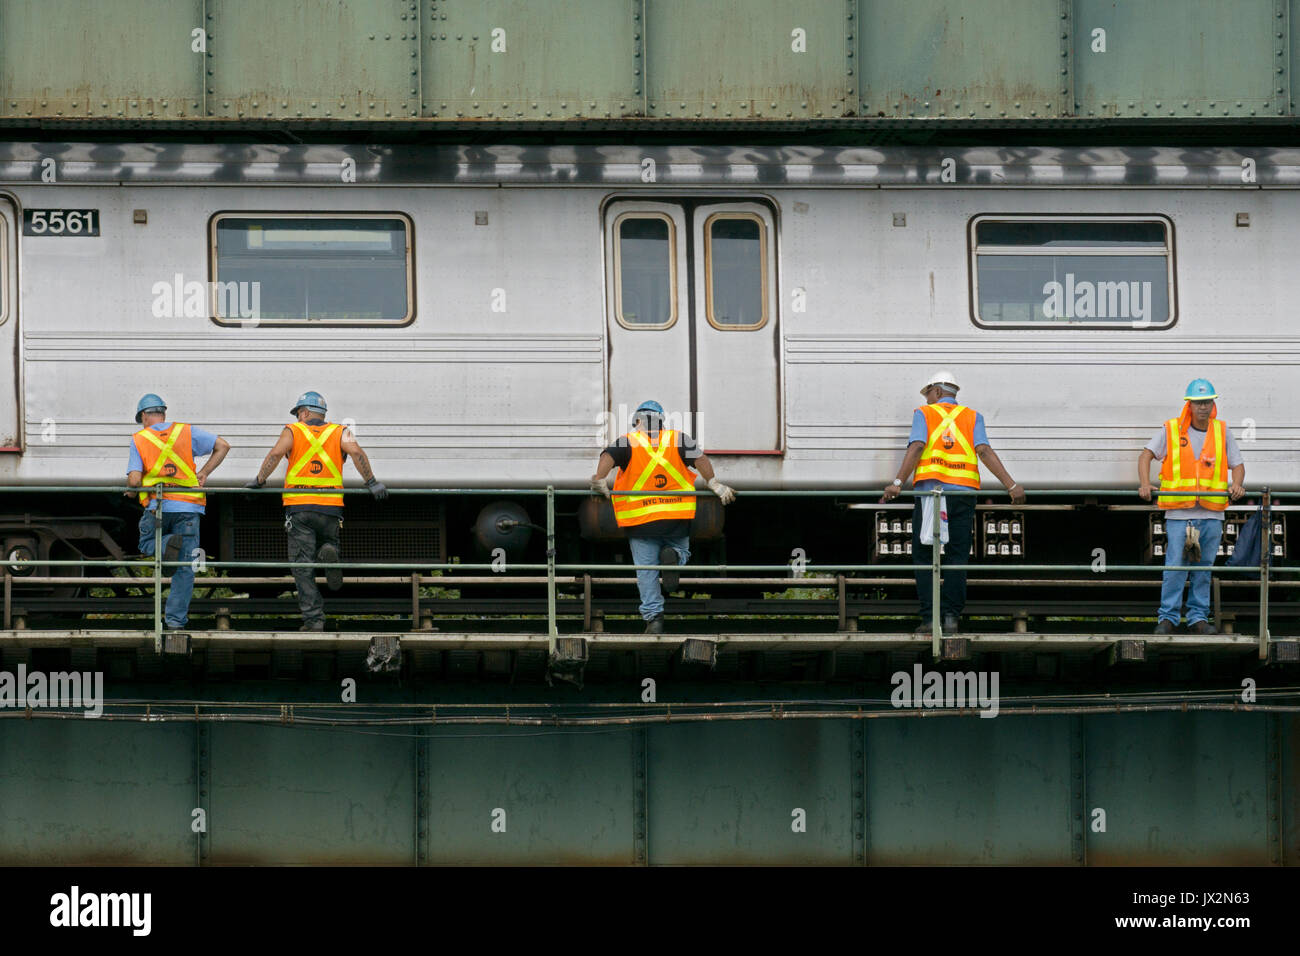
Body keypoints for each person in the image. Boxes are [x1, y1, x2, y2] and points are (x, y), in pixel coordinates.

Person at [881, 370, 1025, 635]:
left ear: (936, 392)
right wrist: (1011, 485)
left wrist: (898, 483)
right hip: (963, 495)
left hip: (930, 497)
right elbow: (984, 451)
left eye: (927, 395)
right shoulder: (973, 417)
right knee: (957, 556)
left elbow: (916, 447)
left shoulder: (924, 414)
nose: (926, 400)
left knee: (924, 557)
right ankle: (950, 619)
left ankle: (928, 620)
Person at [246, 391, 387, 631]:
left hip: (300, 508)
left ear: (304, 412)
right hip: (331, 508)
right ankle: (329, 551)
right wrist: (372, 481)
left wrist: (259, 480)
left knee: (302, 567)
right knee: (328, 542)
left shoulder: (293, 430)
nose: (299, 417)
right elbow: (357, 453)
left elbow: (276, 454)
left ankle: (314, 620)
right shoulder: (341, 431)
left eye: (299, 413)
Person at [590, 400, 735, 634]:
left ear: (637, 420)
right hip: (675, 516)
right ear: (660, 421)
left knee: (646, 570)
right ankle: (675, 559)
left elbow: (608, 456)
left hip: (640, 520)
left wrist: (599, 479)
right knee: (683, 552)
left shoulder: (628, 441)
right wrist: (713, 483)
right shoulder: (678, 439)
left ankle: (654, 619)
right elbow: (701, 460)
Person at [1138, 378, 1245, 635]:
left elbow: (1238, 465)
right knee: (1175, 569)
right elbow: (1145, 456)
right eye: (1198, 403)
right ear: (1189, 404)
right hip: (1179, 513)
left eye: (1207, 402)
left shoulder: (1221, 431)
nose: (1203, 407)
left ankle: (1198, 619)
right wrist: (1144, 483)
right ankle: (1168, 619)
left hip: (1211, 513)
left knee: (1202, 570)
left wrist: (1238, 484)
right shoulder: (1172, 430)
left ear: (1213, 404)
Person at [126, 393, 230, 630]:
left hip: (157, 507)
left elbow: (133, 480)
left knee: (145, 544)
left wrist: (131, 491)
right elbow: (223, 446)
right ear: (162, 413)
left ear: (144, 416)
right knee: (185, 568)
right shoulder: (185, 431)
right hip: (188, 507)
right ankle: (175, 622)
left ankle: (164, 545)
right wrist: (203, 473)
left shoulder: (139, 439)